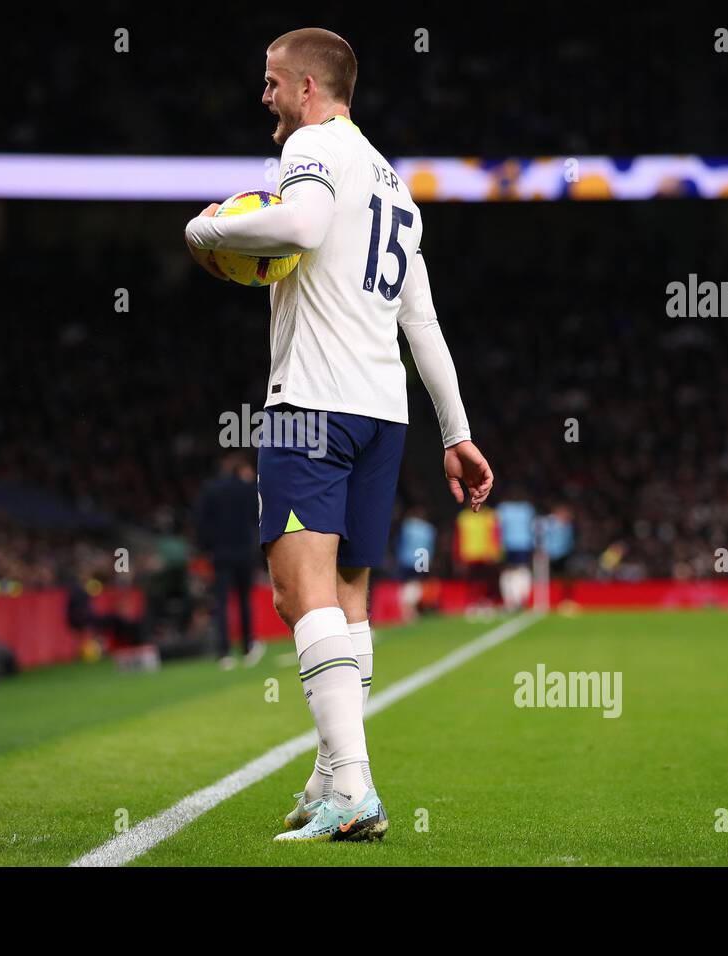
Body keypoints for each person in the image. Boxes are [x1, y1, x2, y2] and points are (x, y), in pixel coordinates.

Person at [184, 28, 493, 842]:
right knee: (347, 601)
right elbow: (422, 323)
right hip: (382, 412)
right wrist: (456, 432)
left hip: (312, 404)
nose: (265, 97)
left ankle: (354, 788)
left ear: (309, 90)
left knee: (298, 594)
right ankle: (330, 777)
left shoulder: (311, 146)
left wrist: (206, 232)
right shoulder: (395, 185)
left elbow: (301, 227)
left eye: (272, 82)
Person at [195, 454, 262, 668]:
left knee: (221, 602)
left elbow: (200, 522)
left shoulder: (210, 490)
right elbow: (258, 517)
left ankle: (224, 652)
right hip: (244, 551)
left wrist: (206, 549)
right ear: (240, 469)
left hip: (220, 553)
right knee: (244, 599)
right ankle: (248, 647)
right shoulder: (248, 489)